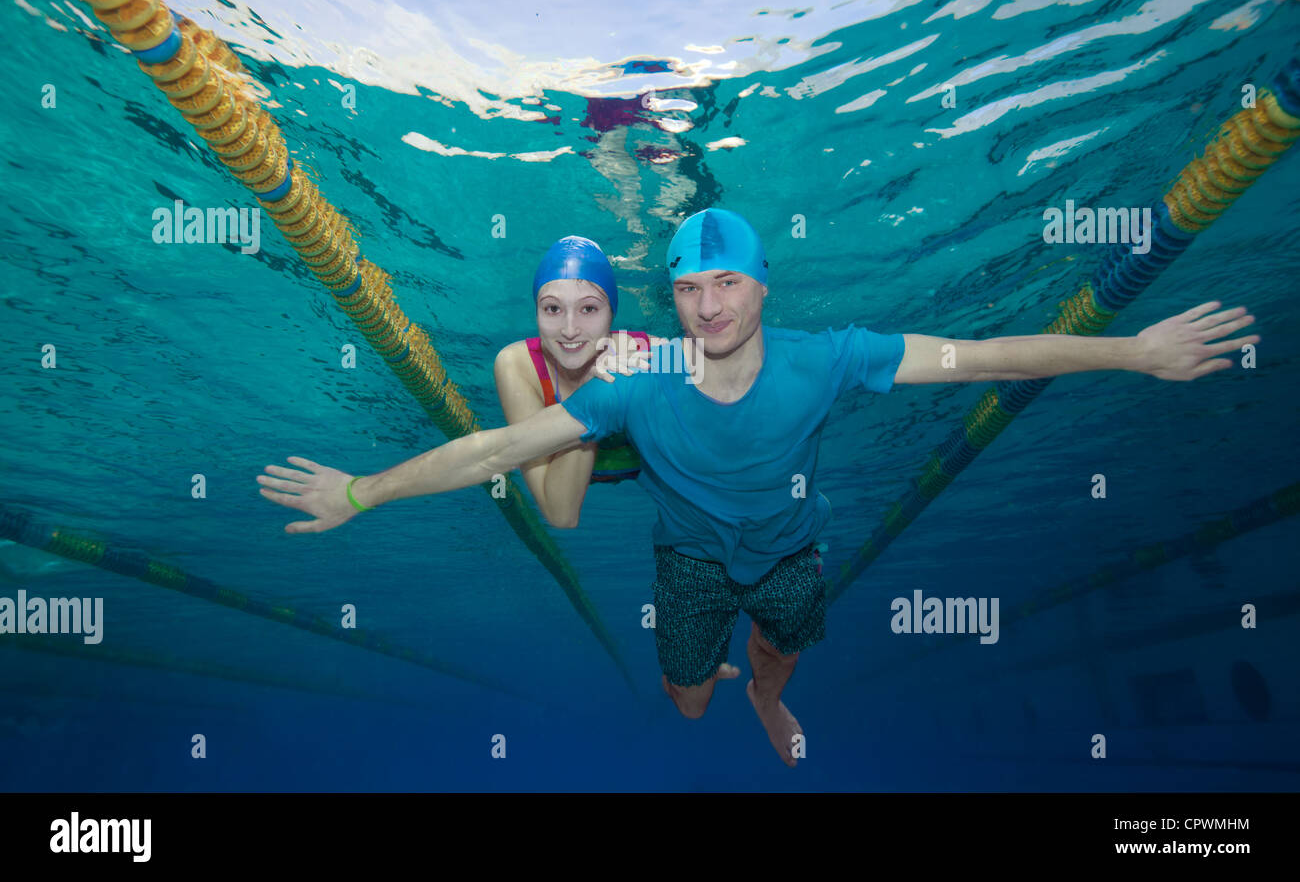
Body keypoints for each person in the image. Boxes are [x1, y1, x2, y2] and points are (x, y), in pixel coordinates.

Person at [257, 208, 1259, 768]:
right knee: (688, 704)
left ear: (762, 286)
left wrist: (1132, 348)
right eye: (688, 287)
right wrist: (361, 492)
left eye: (725, 283)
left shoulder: (829, 356)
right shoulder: (635, 389)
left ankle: (767, 698)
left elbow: (982, 353)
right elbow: (485, 454)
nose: (706, 304)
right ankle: (718, 682)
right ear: (673, 298)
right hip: (687, 565)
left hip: (792, 551)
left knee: (778, 659)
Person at [495, 235, 660, 527]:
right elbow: (561, 514)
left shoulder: (650, 357)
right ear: (536, 312)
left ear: (612, 317)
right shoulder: (519, 366)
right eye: (553, 309)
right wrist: (594, 390)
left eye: (589, 309)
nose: (569, 330)